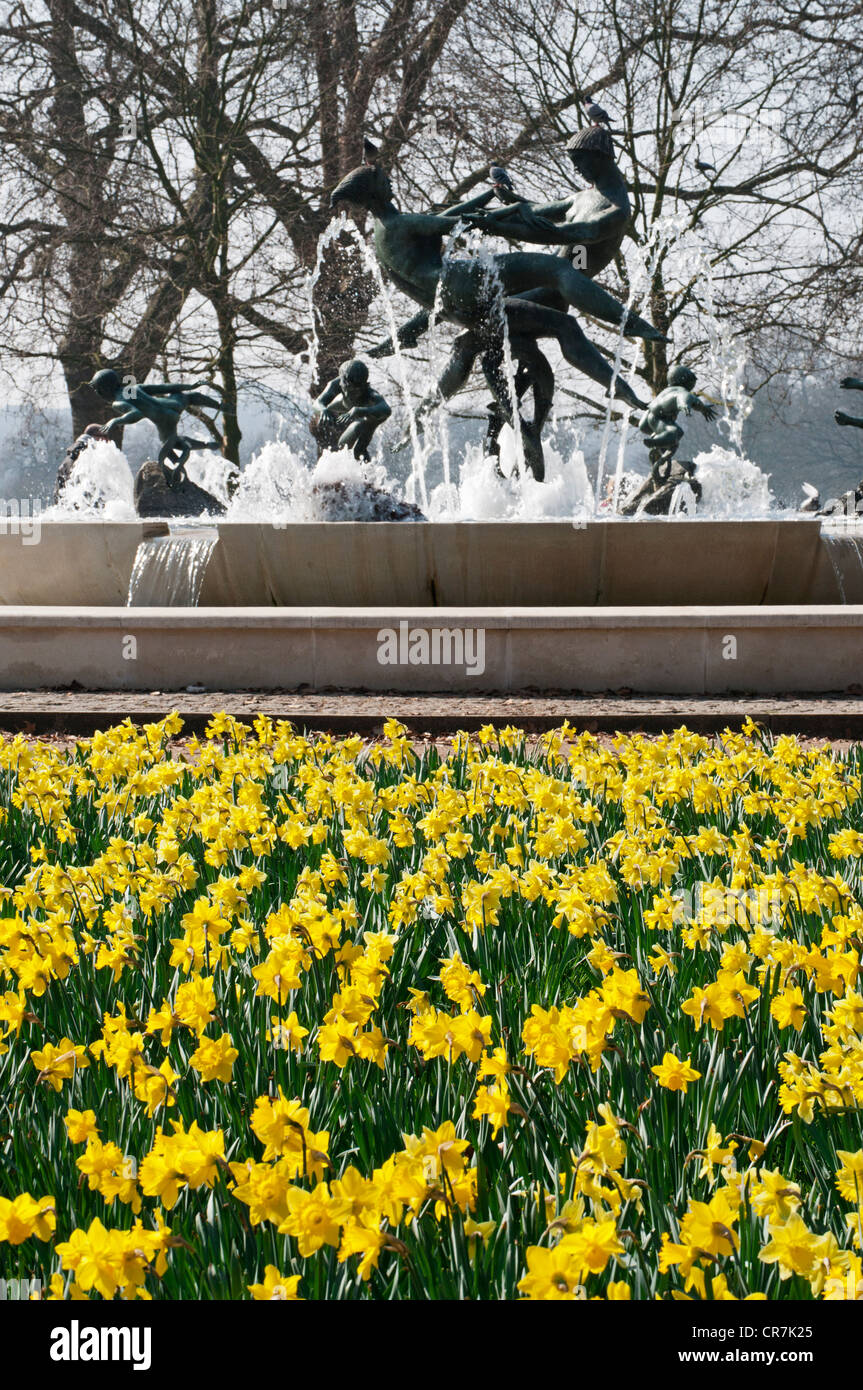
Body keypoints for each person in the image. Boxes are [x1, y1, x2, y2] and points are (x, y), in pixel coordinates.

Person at [87, 369, 226, 487]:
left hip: (164, 419)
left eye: (97, 390)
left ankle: (181, 472)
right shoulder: (134, 388)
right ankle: (219, 406)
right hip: (173, 405)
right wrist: (190, 386)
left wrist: (115, 421)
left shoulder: (117, 402)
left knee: (168, 450)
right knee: (186, 398)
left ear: (104, 389)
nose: (97, 393)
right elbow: (167, 387)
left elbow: (137, 413)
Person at [311, 360, 391, 460]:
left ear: (364, 385)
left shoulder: (370, 393)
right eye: (349, 388)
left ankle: (365, 470)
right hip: (344, 405)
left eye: (357, 390)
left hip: (370, 417)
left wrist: (361, 410)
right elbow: (317, 403)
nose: (351, 393)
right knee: (343, 447)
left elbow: (386, 409)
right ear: (342, 382)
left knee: (355, 447)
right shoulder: (335, 384)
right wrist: (323, 410)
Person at [52, 423, 104, 504]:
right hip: (81, 508)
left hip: (66, 507)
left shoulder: (72, 454)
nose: (106, 442)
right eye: (105, 437)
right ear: (97, 437)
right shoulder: (87, 452)